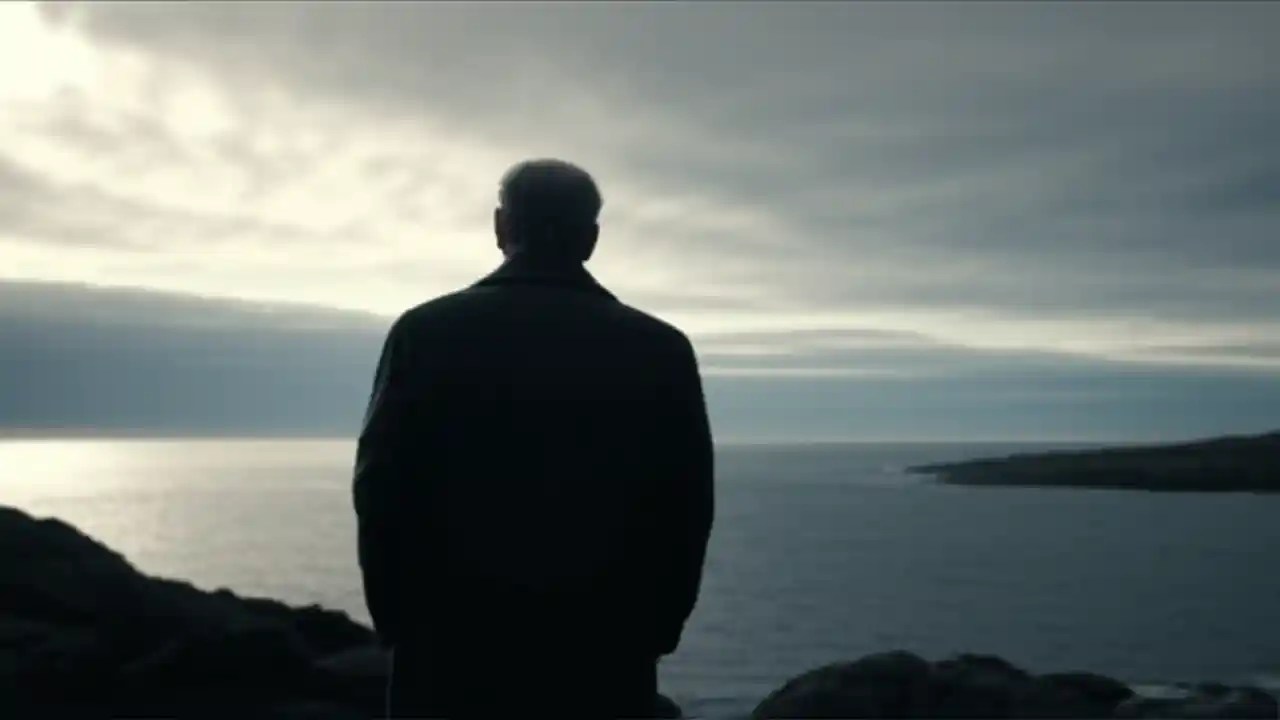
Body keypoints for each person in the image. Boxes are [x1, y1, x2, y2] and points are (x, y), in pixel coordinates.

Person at [352, 159, 715, 718]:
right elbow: (685, 503)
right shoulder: (659, 348)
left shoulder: (425, 333)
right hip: (602, 647)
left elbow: (382, 487)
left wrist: (397, 620)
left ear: (501, 226)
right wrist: (658, 627)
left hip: (449, 644)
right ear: (590, 238)